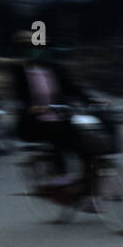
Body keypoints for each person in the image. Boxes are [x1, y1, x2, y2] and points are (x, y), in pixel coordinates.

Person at [10, 30, 112, 175]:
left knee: (86, 137)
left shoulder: (55, 69)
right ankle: (61, 180)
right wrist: (32, 108)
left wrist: (91, 100)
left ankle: (88, 178)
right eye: (32, 48)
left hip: (60, 115)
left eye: (41, 47)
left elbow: (72, 87)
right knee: (60, 140)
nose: (38, 51)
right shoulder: (19, 71)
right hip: (34, 121)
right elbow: (20, 96)